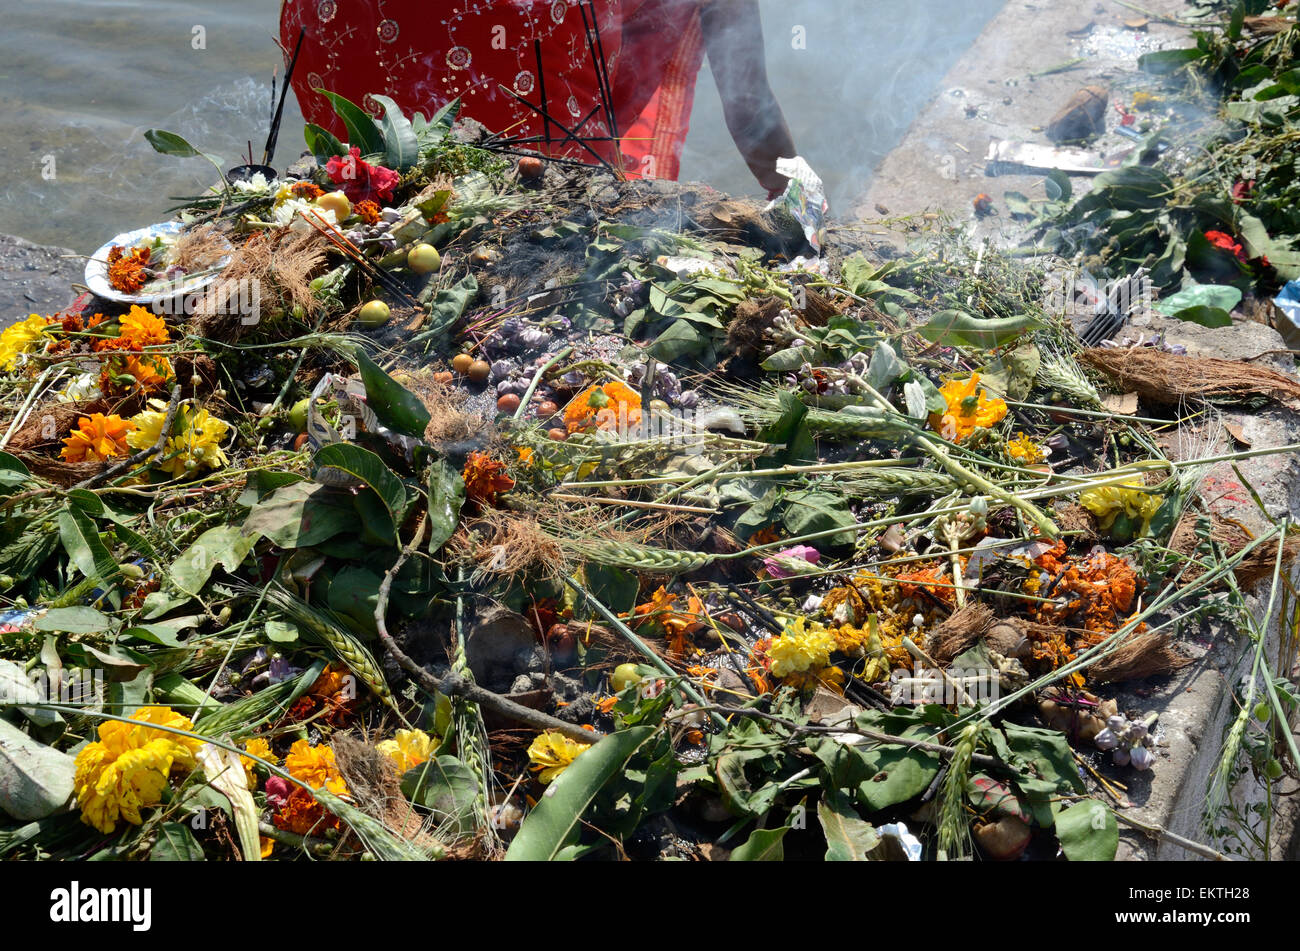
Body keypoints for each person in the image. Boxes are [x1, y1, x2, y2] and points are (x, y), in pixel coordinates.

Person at [280, 0, 796, 193]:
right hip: (509, 28)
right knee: (537, 205)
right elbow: (750, 104)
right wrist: (803, 203)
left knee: (372, 177)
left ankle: (361, 188)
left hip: (332, 22)